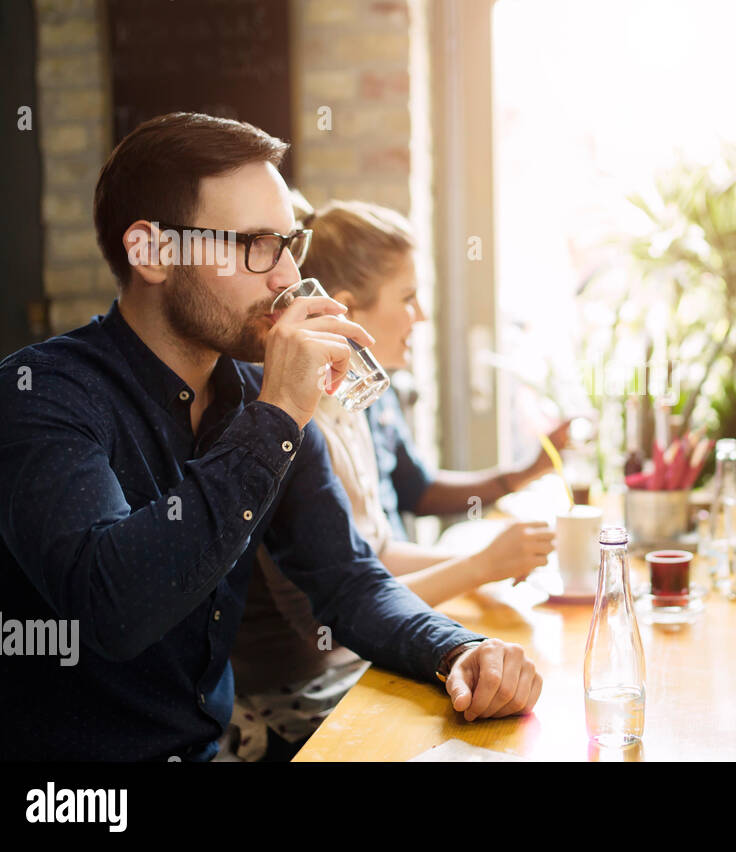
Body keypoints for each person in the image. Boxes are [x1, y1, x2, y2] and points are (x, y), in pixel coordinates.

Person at [0, 113, 540, 761]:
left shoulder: (251, 390)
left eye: (289, 243)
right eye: (254, 245)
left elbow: (346, 580)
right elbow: (113, 610)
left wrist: (457, 648)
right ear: (151, 252)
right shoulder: (38, 394)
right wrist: (276, 417)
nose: (285, 276)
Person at [228, 197, 566, 759]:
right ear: (347, 312)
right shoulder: (292, 425)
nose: (422, 317)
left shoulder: (353, 409)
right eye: (408, 299)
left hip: (349, 670)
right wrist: (478, 565)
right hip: (299, 698)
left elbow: (373, 555)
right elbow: (334, 613)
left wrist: (488, 560)